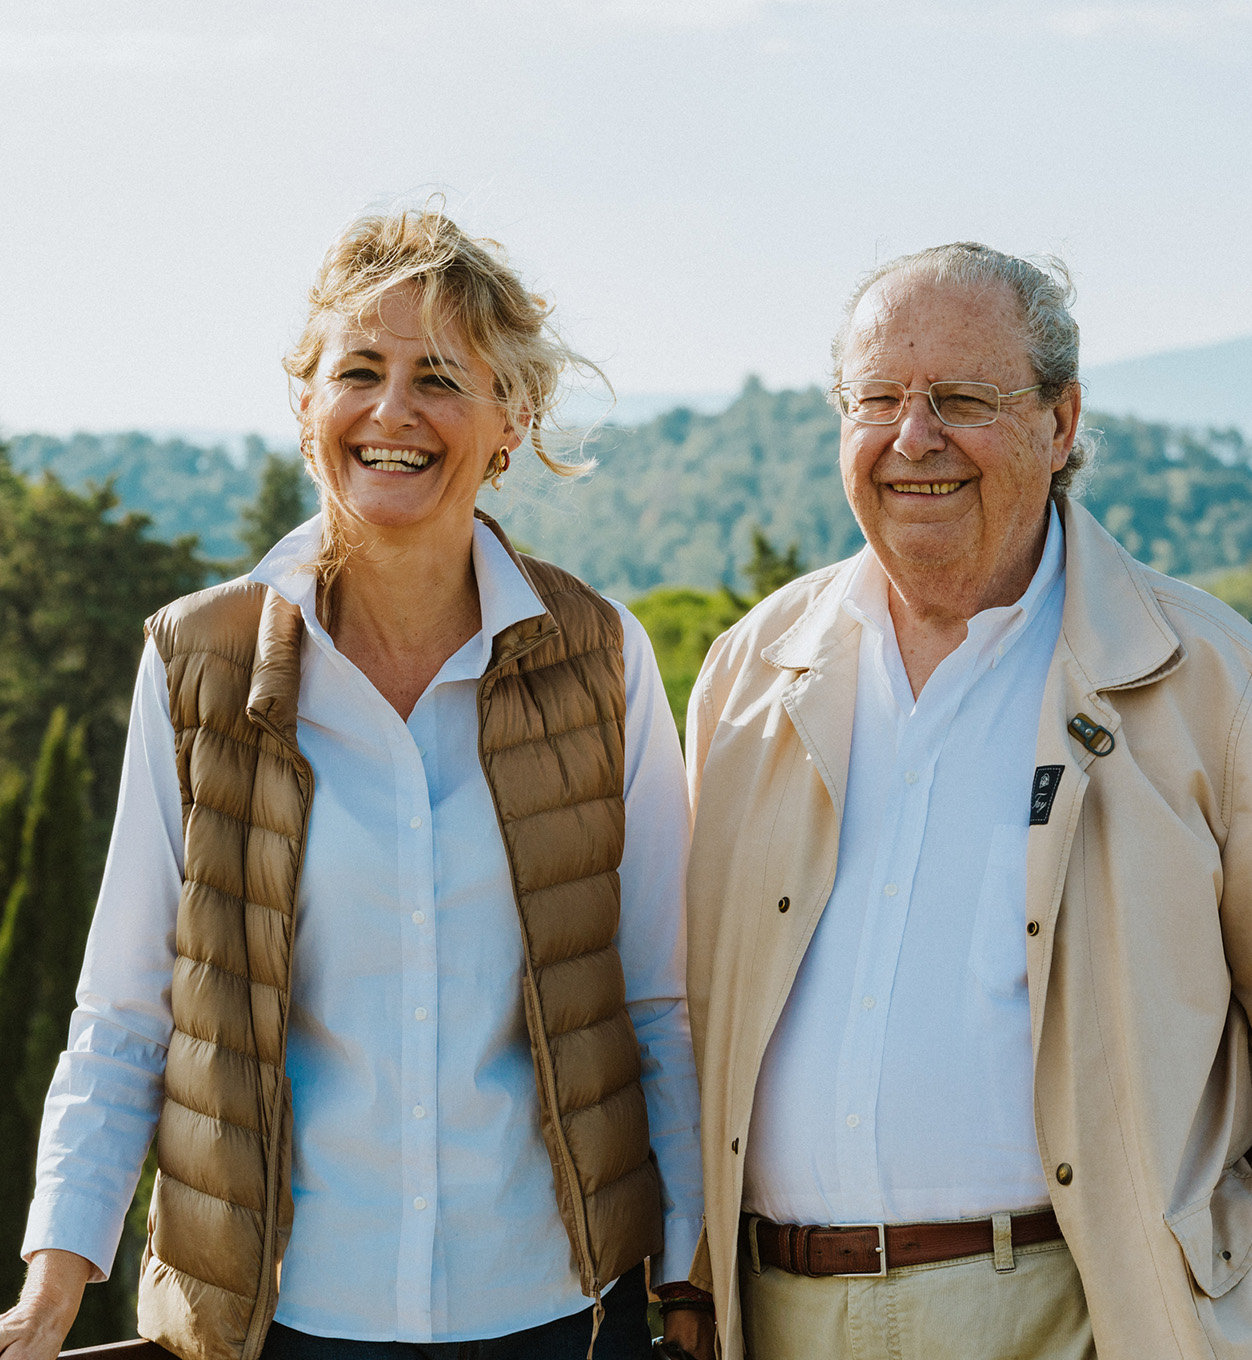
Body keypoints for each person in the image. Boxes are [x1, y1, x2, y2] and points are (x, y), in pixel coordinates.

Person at [1, 209, 714, 1360]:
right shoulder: (200, 662)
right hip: (282, 1316)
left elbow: (657, 1003)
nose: (393, 412)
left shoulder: (598, 653)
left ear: (510, 422)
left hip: (558, 1309)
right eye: (360, 372)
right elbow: (127, 1009)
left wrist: (687, 1283)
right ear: (304, 409)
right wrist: (52, 1284)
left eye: (440, 376)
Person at [683, 241, 1252, 1360]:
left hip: (1090, 1313)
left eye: (961, 399)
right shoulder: (747, 675)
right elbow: (679, 1014)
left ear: (1061, 420)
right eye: (878, 399)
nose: (913, 438)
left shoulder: (1204, 680)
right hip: (781, 1316)